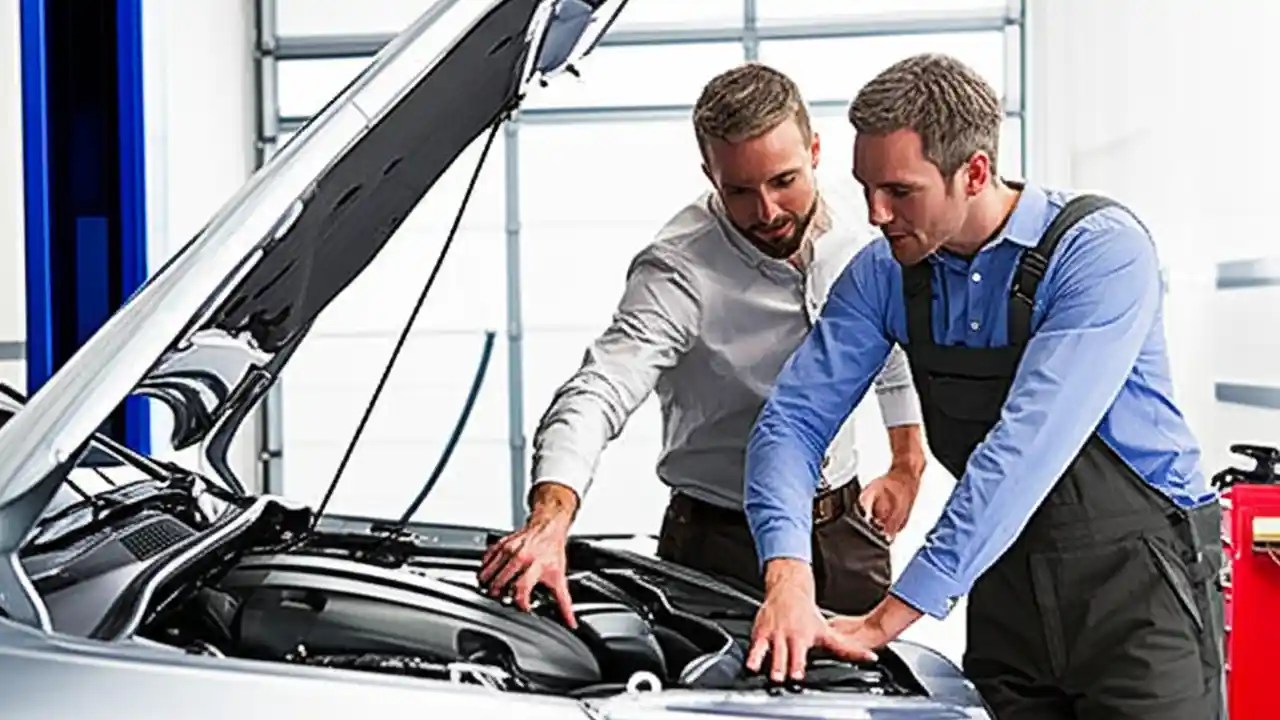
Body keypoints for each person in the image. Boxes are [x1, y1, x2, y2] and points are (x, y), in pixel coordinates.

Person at [742, 51, 1225, 718]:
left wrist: (884, 621)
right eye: (865, 188)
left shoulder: (1099, 252)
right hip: (1008, 592)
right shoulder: (884, 275)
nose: (876, 214)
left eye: (900, 192)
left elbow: (1022, 452)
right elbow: (791, 424)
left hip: (1140, 593)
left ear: (973, 173)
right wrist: (788, 575)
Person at [477, 62, 928, 629]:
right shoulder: (677, 269)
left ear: (814, 150)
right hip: (720, 547)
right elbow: (599, 391)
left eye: (784, 181)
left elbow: (891, 345)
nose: (767, 212)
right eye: (739, 190)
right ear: (709, 174)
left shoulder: (863, 228)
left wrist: (908, 462)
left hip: (846, 531)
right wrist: (549, 521)